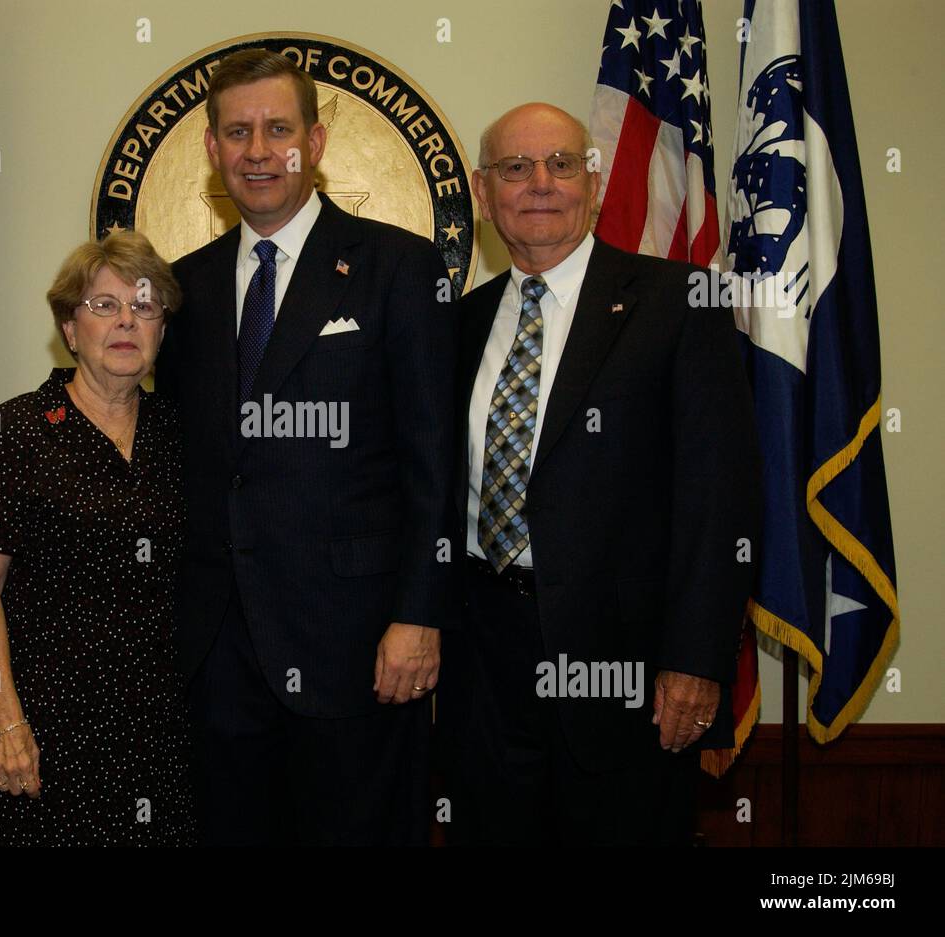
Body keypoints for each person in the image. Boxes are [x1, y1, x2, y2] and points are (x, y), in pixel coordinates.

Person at [154, 49, 459, 845]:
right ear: (212, 148)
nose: (258, 151)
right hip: (220, 653)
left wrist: (419, 615)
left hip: (358, 645)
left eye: (278, 129)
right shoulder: (187, 287)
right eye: (237, 132)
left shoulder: (400, 268)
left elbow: (435, 462)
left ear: (315, 143)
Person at [444, 102, 762, 845]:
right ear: (483, 194)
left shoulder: (680, 303)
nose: (540, 183)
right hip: (482, 667)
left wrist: (696, 660)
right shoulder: (458, 323)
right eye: (515, 168)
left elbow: (720, 498)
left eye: (561, 164)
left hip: (627, 674)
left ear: (592, 183)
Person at [0, 230, 195, 846]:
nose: (126, 321)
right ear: (69, 327)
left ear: (162, 330)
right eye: (104, 305)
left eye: (144, 306)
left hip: (167, 734)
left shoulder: (182, 433)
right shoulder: (15, 432)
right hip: (48, 732)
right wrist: (4, 720)